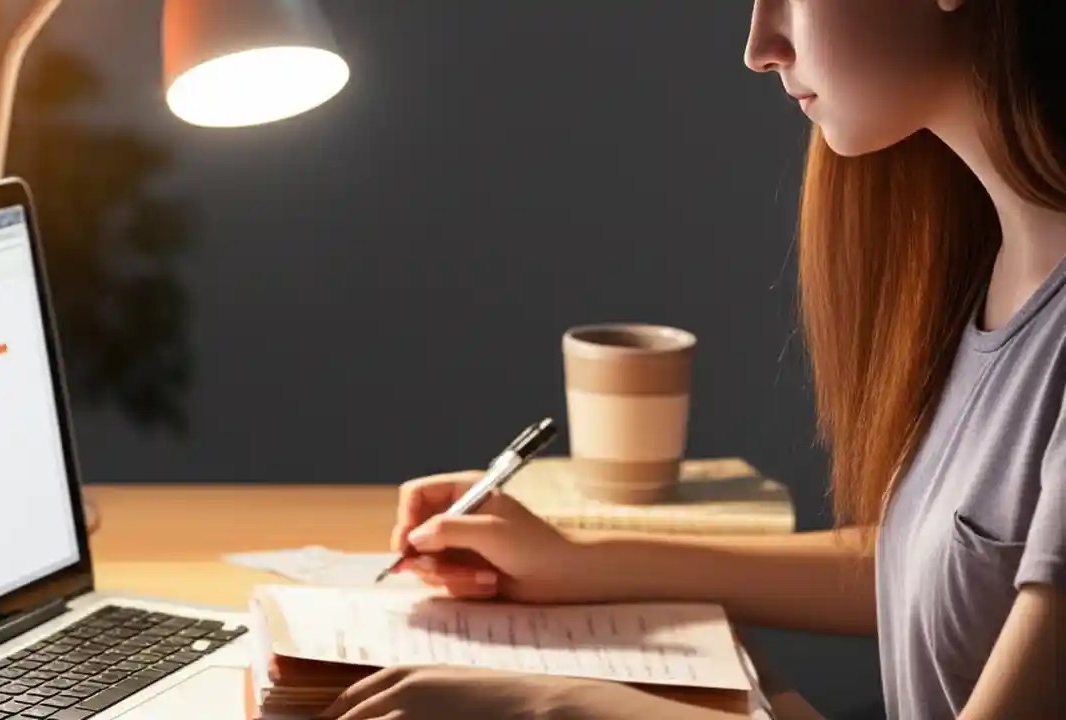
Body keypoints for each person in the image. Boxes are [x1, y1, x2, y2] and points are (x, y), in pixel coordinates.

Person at [321, 0, 1066, 718]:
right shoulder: (997, 269)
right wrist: (574, 563)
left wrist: (550, 705)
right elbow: (943, 566)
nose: (760, 46)